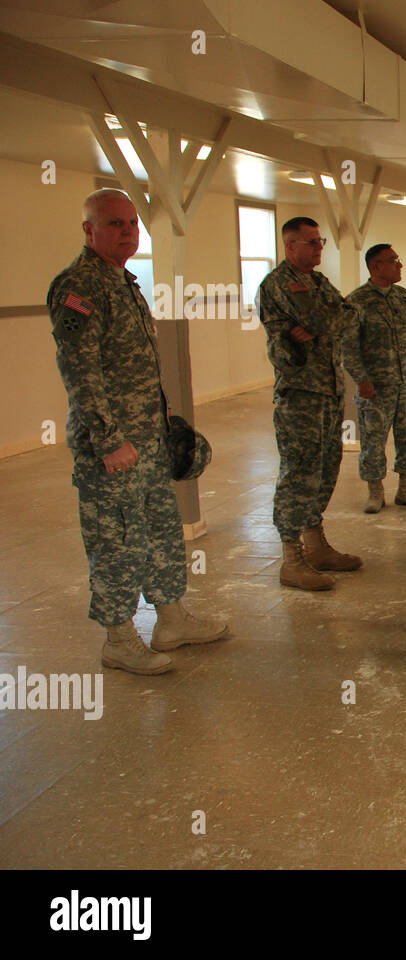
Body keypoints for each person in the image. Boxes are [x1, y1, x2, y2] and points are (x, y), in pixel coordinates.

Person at [48, 188, 227, 675]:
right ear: (89, 230)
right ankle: (119, 639)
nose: (128, 232)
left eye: (132, 223)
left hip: (145, 440)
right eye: (115, 224)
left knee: (160, 530)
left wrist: (163, 427)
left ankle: (170, 619)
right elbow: (81, 372)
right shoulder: (79, 286)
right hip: (112, 449)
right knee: (117, 540)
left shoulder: (123, 282)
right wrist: (108, 441)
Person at [257, 217, 375, 591]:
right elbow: (321, 317)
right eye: (310, 242)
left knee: (326, 466)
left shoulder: (317, 282)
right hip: (300, 395)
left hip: (328, 391)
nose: (318, 247)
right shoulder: (281, 283)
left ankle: (315, 544)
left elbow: (350, 316)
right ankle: (291, 558)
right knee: (299, 470)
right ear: (290, 246)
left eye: (320, 241)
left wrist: (328, 319)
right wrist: (328, 317)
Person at [347, 244, 406, 514]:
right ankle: (375, 492)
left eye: (398, 259)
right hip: (375, 387)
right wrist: (361, 379)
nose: (399, 265)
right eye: (393, 261)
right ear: (376, 267)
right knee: (373, 441)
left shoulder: (405, 299)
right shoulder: (356, 301)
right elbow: (348, 345)